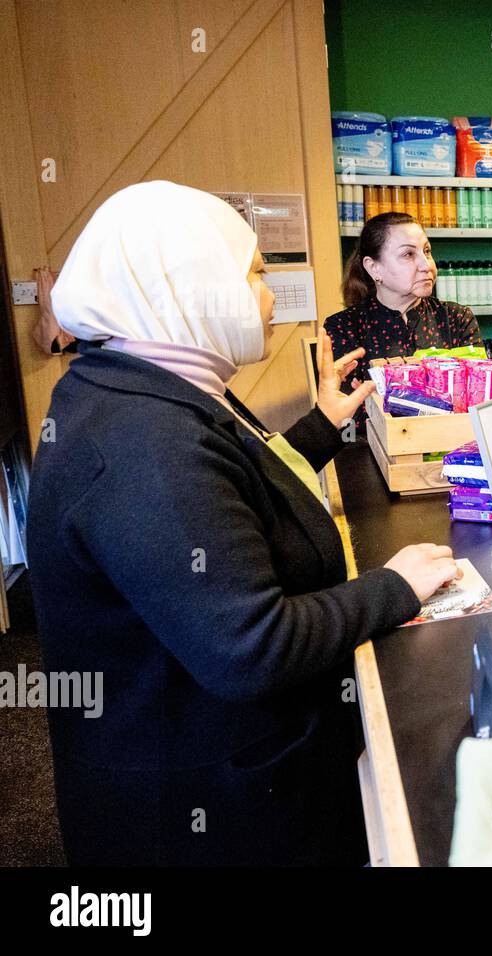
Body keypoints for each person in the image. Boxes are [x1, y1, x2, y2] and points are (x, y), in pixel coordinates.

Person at [28, 181, 462, 866]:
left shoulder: (144, 384)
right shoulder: (144, 442)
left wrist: (323, 426)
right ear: (190, 288)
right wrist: (394, 586)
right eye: (256, 275)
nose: (268, 296)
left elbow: (238, 487)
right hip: (207, 813)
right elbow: (249, 646)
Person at [324, 211, 482, 420]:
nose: (427, 265)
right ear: (374, 268)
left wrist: (387, 399)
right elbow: (346, 417)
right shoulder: (343, 327)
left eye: (427, 251)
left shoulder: (457, 318)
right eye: (408, 254)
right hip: (373, 446)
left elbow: (477, 399)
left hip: (451, 446)